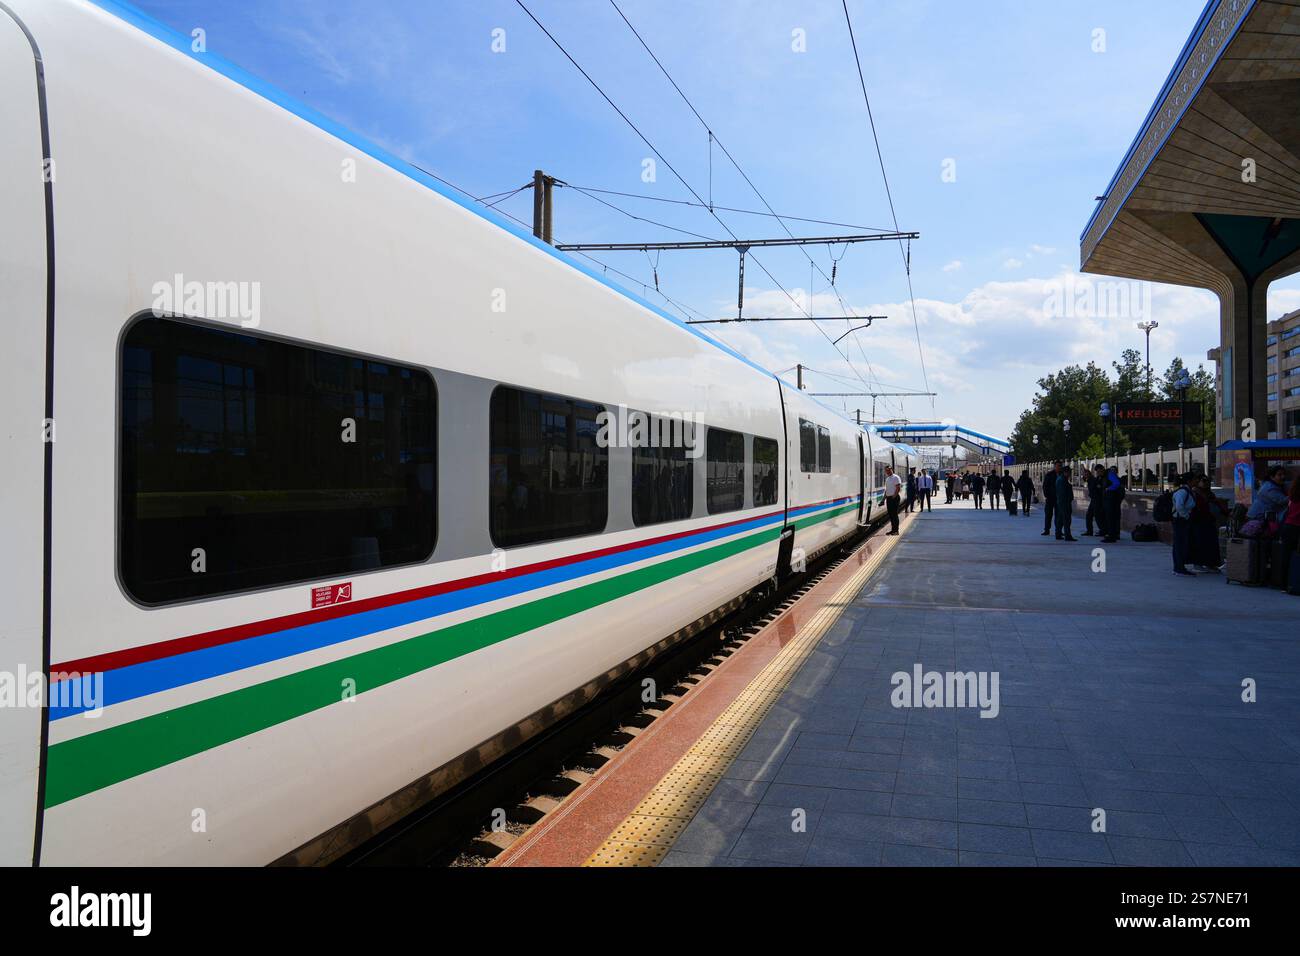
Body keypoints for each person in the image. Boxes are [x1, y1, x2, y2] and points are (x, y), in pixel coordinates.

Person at [1191, 474, 1227, 572]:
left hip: (1210, 520)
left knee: (1211, 543)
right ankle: (1199, 563)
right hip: (1200, 521)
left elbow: (1217, 505)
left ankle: (1211, 564)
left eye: (1207, 481)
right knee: (1201, 542)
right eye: (1203, 481)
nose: (1206, 483)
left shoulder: (1209, 493)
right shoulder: (1195, 492)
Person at [1171, 473, 1196, 576]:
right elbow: (1179, 506)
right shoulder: (1182, 492)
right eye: (1194, 480)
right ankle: (1179, 567)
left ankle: (1179, 566)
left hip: (1181, 519)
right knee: (1179, 544)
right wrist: (1186, 516)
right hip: (1180, 520)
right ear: (1189, 481)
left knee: (1180, 543)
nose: (1196, 482)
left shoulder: (1187, 491)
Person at [1054, 465, 1077, 540]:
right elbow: (1063, 493)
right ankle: (1067, 535)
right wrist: (1068, 500)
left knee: (1060, 519)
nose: (1070, 474)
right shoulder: (1062, 480)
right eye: (1069, 472)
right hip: (1064, 503)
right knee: (1066, 520)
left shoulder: (1061, 479)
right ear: (1066, 472)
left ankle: (1058, 534)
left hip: (1061, 502)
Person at [1083, 464, 1105, 537]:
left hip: (1097, 500)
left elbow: (1098, 489)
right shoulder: (1090, 480)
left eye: (1086, 474)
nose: (1085, 475)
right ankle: (1090, 531)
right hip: (1094, 500)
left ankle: (1102, 530)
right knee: (1089, 515)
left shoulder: (1093, 480)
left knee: (1097, 515)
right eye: (1084, 474)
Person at [1041, 462, 1061, 536]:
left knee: (1058, 515)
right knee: (1048, 515)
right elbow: (1045, 486)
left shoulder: (1062, 474)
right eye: (1058, 466)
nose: (1059, 467)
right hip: (1050, 498)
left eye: (1060, 466)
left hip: (1059, 498)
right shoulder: (1049, 475)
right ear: (1054, 466)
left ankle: (1058, 530)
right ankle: (1046, 530)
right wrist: (1047, 495)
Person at [884, 464, 902, 535]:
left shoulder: (896, 477)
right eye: (886, 470)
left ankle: (896, 530)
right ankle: (893, 530)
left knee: (894, 514)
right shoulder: (887, 479)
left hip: (894, 498)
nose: (888, 471)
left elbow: (898, 488)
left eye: (889, 470)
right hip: (889, 498)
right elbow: (887, 490)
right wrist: (883, 499)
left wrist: (893, 496)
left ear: (892, 469)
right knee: (891, 515)